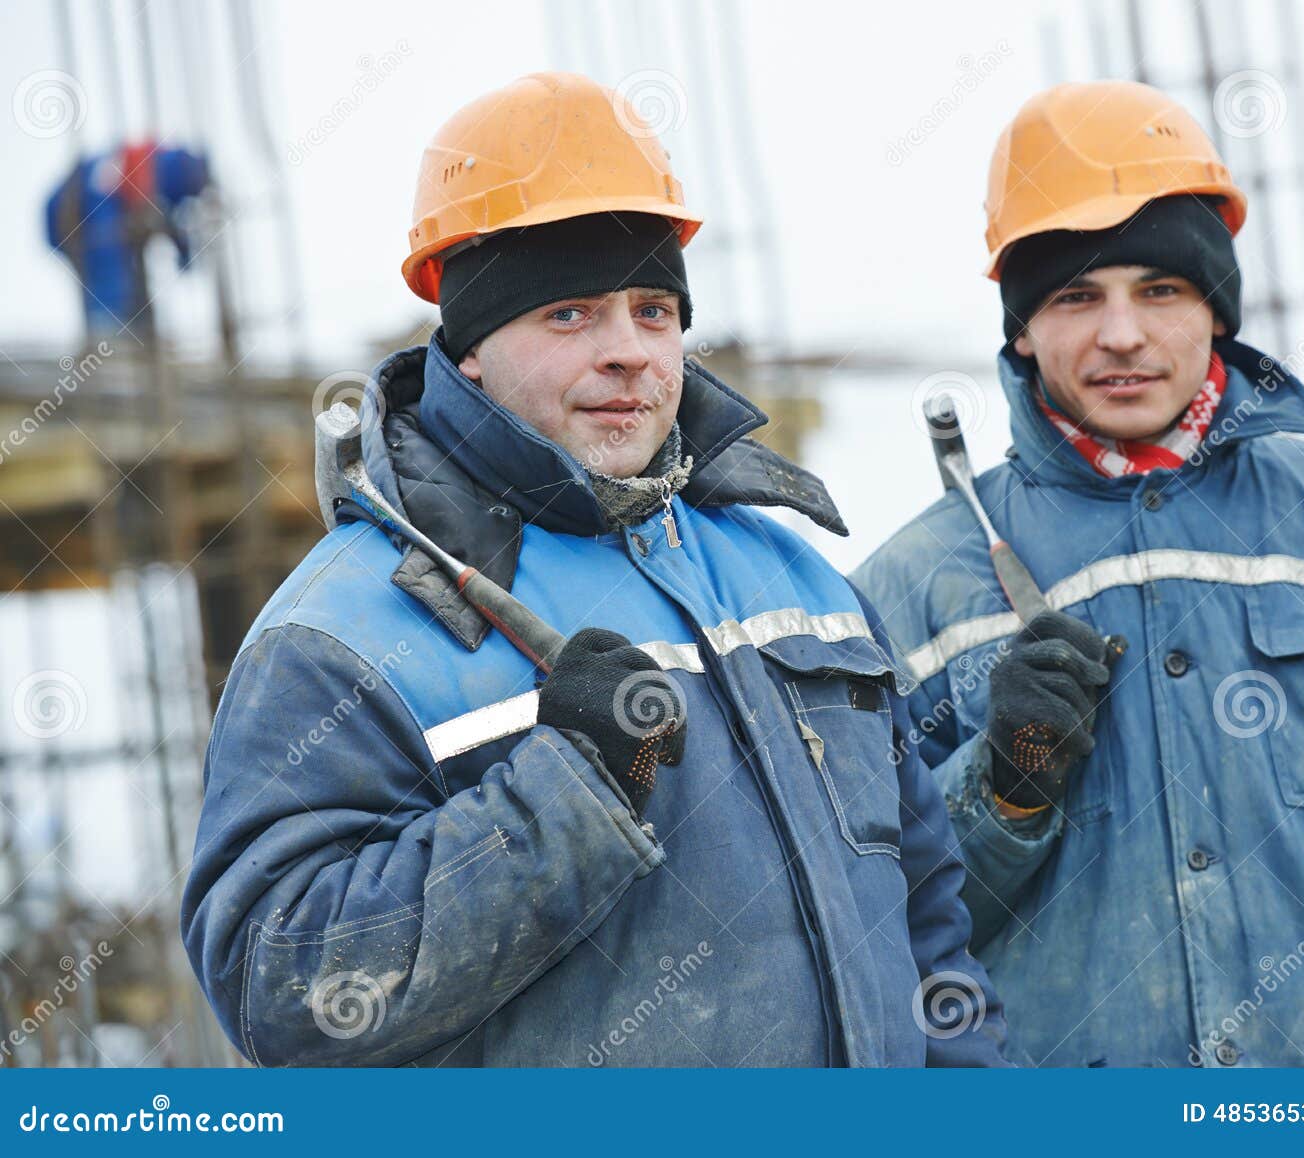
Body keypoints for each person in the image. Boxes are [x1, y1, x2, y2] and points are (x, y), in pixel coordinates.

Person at [179, 72, 1005, 1068]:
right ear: (470, 345)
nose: (628, 353)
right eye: (569, 314)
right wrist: (568, 796)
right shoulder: (341, 634)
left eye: (654, 311)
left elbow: (929, 928)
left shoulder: (797, 583)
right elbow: (286, 999)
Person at [852, 80, 1304, 1067]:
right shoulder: (907, 596)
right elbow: (874, 945)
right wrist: (999, 789)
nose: (1121, 335)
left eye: (1158, 290)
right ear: (1021, 329)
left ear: (1214, 307)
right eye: (1076, 296)